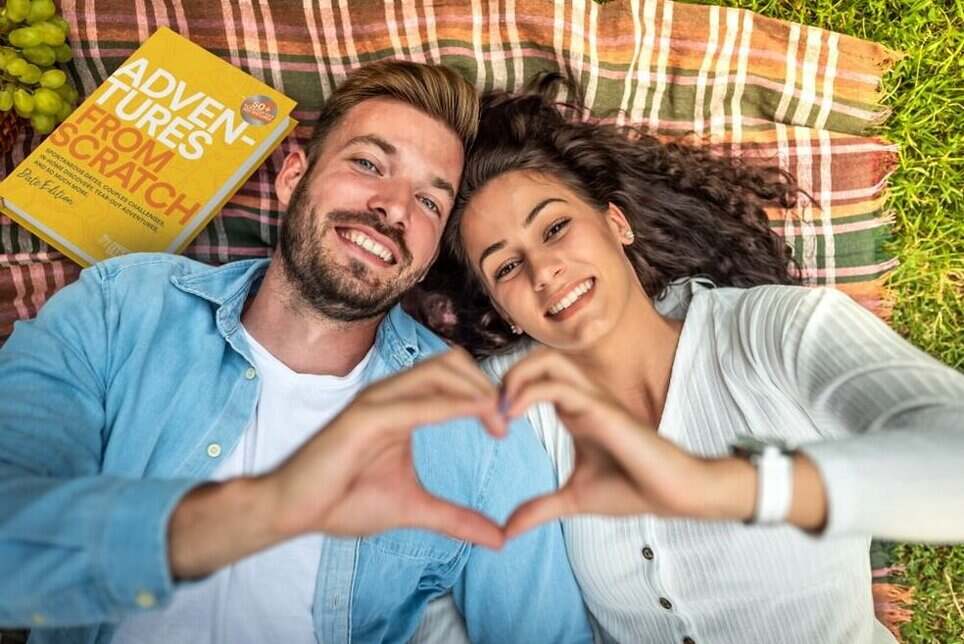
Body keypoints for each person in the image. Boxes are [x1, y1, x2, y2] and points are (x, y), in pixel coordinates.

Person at [0, 62, 593, 643]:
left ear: (431, 255)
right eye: (368, 164)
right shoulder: (123, 308)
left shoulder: (479, 436)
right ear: (292, 177)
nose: (394, 209)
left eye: (430, 202)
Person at [421, 79, 964, 644]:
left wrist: (726, 487)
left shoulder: (775, 333)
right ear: (501, 310)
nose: (543, 271)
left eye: (556, 228)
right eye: (505, 267)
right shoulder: (508, 401)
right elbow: (427, 570)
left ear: (616, 223)